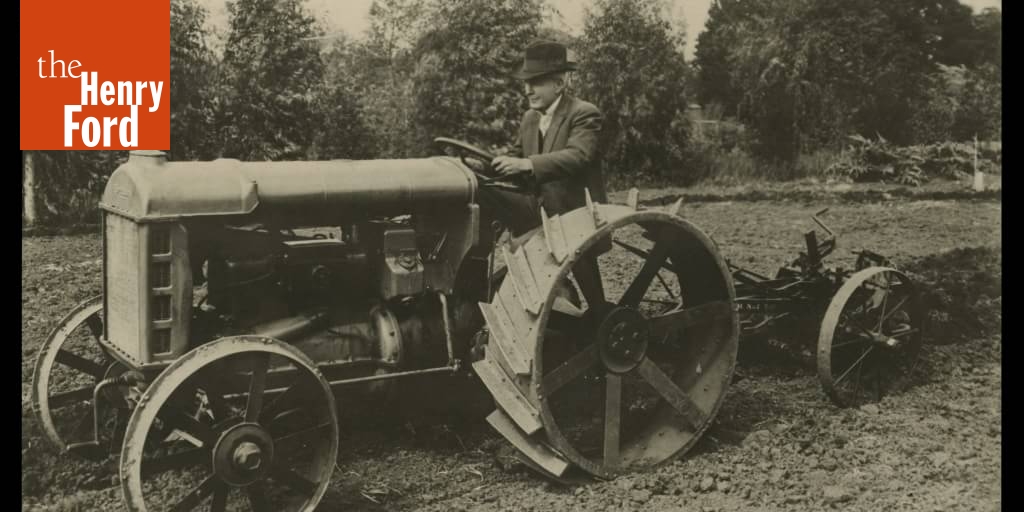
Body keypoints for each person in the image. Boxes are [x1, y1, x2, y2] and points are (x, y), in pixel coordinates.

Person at [478, 39, 607, 238]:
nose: (528, 90)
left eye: (536, 83)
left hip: (575, 215)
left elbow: (578, 156)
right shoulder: (530, 118)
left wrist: (527, 164)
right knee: (472, 192)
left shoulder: (583, 113)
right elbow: (515, 156)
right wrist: (481, 165)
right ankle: (472, 262)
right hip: (537, 212)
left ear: (559, 84)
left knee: (584, 268)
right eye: (526, 83)